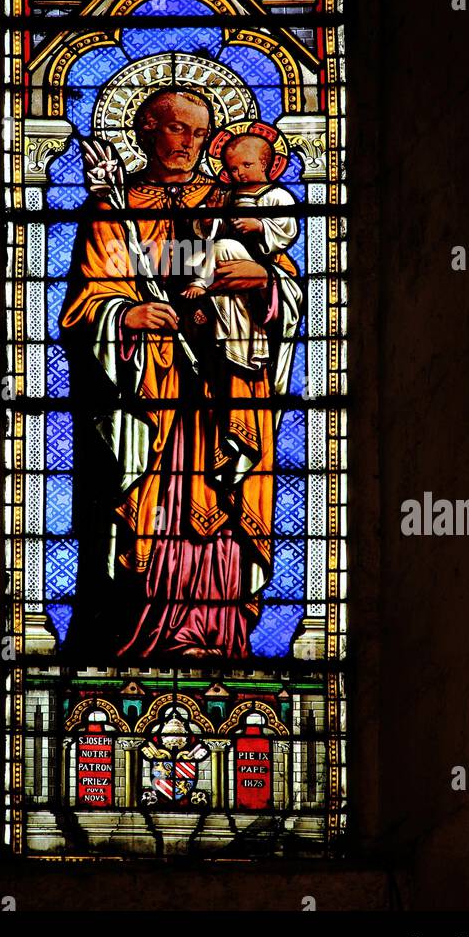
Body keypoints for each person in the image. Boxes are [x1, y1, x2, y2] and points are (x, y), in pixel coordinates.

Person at [59, 88, 302, 662]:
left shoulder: (239, 200)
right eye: (175, 129)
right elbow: (87, 302)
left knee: (218, 499)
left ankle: (214, 636)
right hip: (149, 390)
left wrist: (263, 285)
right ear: (145, 130)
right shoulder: (113, 206)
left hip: (227, 385)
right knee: (153, 504)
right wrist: (126, 314)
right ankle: (139, 631)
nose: (188, 143)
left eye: (199, 133)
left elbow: (285, 287)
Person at [181, 132, 299, 373]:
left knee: (223, 247)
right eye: (233, 169)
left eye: (247, 165)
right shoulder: (229, 197)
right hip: (224, 263)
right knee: (193, 255)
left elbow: (287, 229)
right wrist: (209, 218)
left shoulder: (276, 196)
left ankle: (246, 346)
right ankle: (220, 327)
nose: (240, 173)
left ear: (265, 164)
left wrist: (261, 225)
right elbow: (212, 231)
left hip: (258, 263)